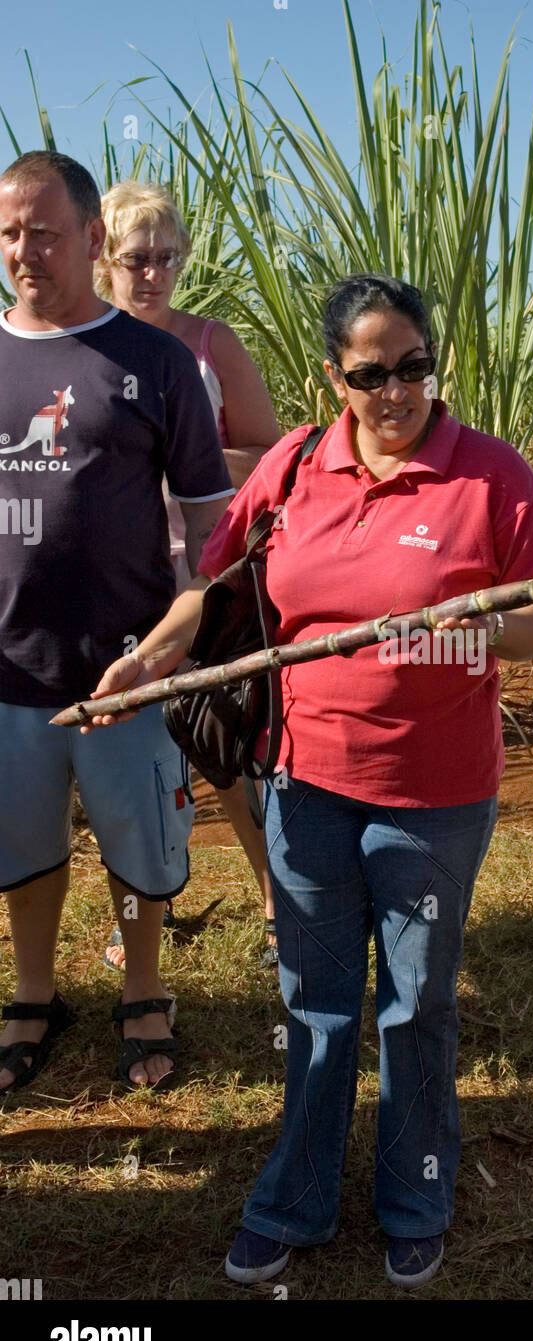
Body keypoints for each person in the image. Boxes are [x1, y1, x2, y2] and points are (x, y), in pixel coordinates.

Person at [80, 273, 533, 1288]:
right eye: (370, 374)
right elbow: (216, 586)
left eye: (414, 368)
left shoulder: (490, 475)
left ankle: (417, 1190)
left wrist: (481, 620)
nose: (396, 392)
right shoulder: (299, 464)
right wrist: (149, 659)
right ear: (332, 377)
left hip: (435, 796)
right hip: (306, 785)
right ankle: (296, 1197)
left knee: (418, 1002)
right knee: (315, 999)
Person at [0, 152, 233, 1097]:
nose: (24, 251)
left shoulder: (159, 363)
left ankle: (143, 990)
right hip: (9, 670)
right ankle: (32, 992)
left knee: (140, 849)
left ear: (93, 240)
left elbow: (215, 532)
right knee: (24, 847)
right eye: (10, 233)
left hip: (128, 672)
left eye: (44, 232)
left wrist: (165, 646)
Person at [95, 180, 282, 968]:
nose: (152, 275)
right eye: (136, 258)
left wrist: (190, 463)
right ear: (104, 259)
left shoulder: (211, 344)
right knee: (134, 745)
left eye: (166, 258)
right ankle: (145, 904)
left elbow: (271, 455)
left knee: (219, 739)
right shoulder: (88, 346)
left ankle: (278, 902)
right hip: (114, 574)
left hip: (204, 570)